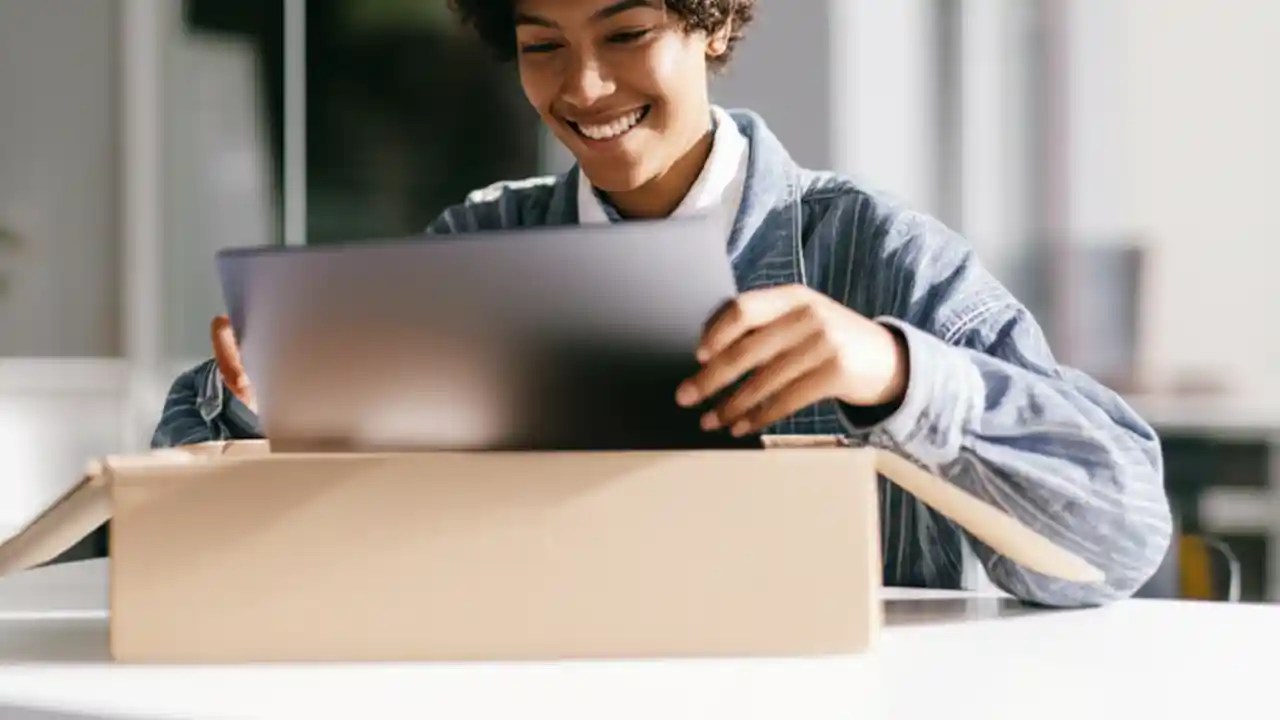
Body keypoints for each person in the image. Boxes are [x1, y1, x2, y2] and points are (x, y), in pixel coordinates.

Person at [152, 0, 1171, 608]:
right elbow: (193, 526)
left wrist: (898, 374)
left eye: (627, 32)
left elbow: (1118, 541)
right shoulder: (483, 247)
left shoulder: (873, 251)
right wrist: (264, 405)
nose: (585, 86)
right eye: (541, 45)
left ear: (710, 21)